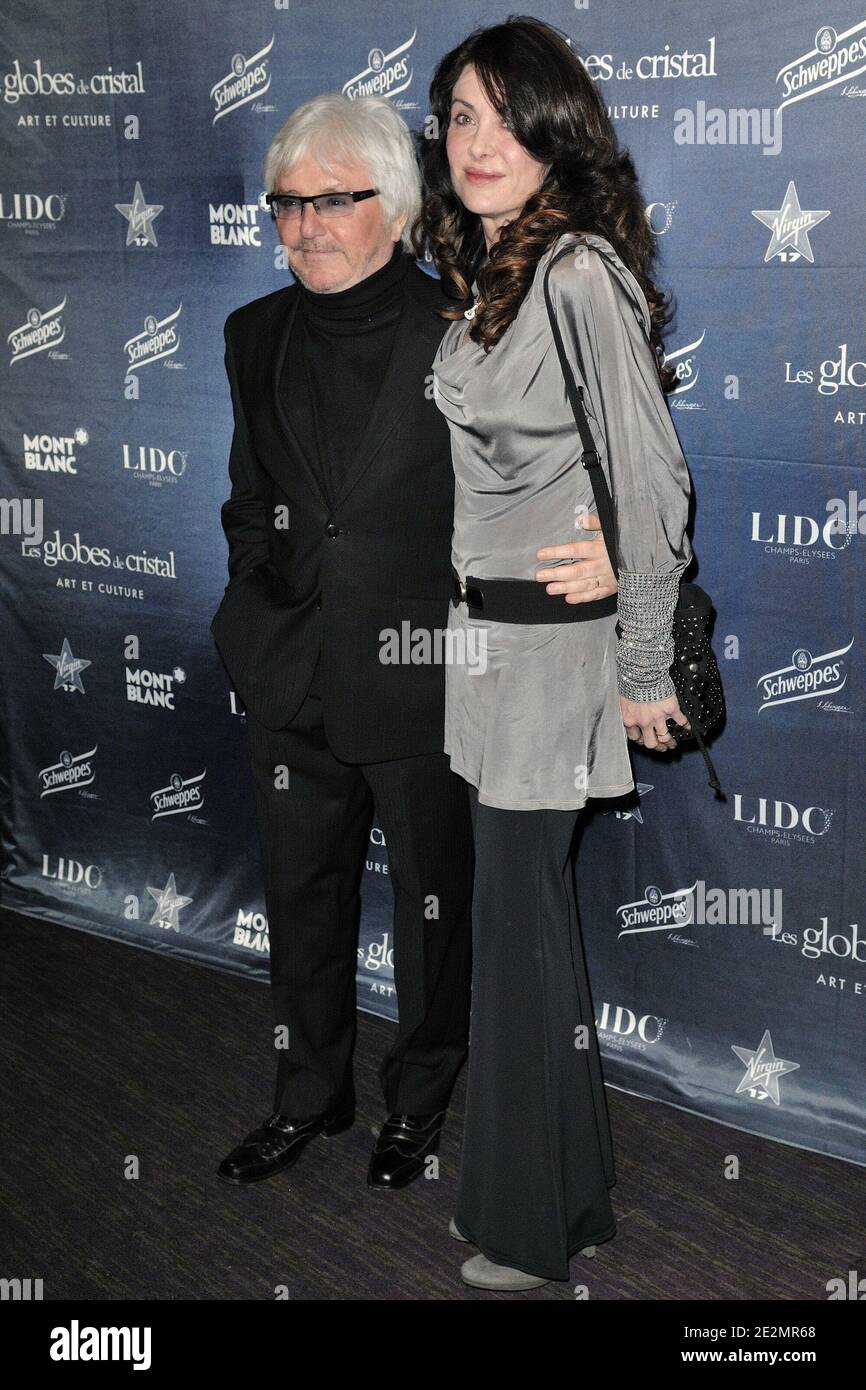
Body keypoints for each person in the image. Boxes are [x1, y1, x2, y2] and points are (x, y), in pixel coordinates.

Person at [209, 92, 617, 1194]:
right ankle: (307, 1094)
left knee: (433, 913)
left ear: (392, 205)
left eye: (330, 201)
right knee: (301, 900)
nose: (302, 226)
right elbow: (252, 496)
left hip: (424, 677)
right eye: (284, 205)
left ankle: (416, 1106)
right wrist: (252, 614)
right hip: (290, 671)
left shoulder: (467, 323)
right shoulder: (252, 333)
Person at [419, 18, 694, 1289]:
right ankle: (568, 1197)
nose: (476, 142)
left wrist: (642, 660)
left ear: (554, 131)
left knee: (517, 947)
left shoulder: (576, 270)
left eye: (500, 116)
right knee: (524, 934)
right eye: (457, 116)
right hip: (482, 646)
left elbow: (650, 479)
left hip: (552, 657)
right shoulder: (487, 271)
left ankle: (525, 1233)